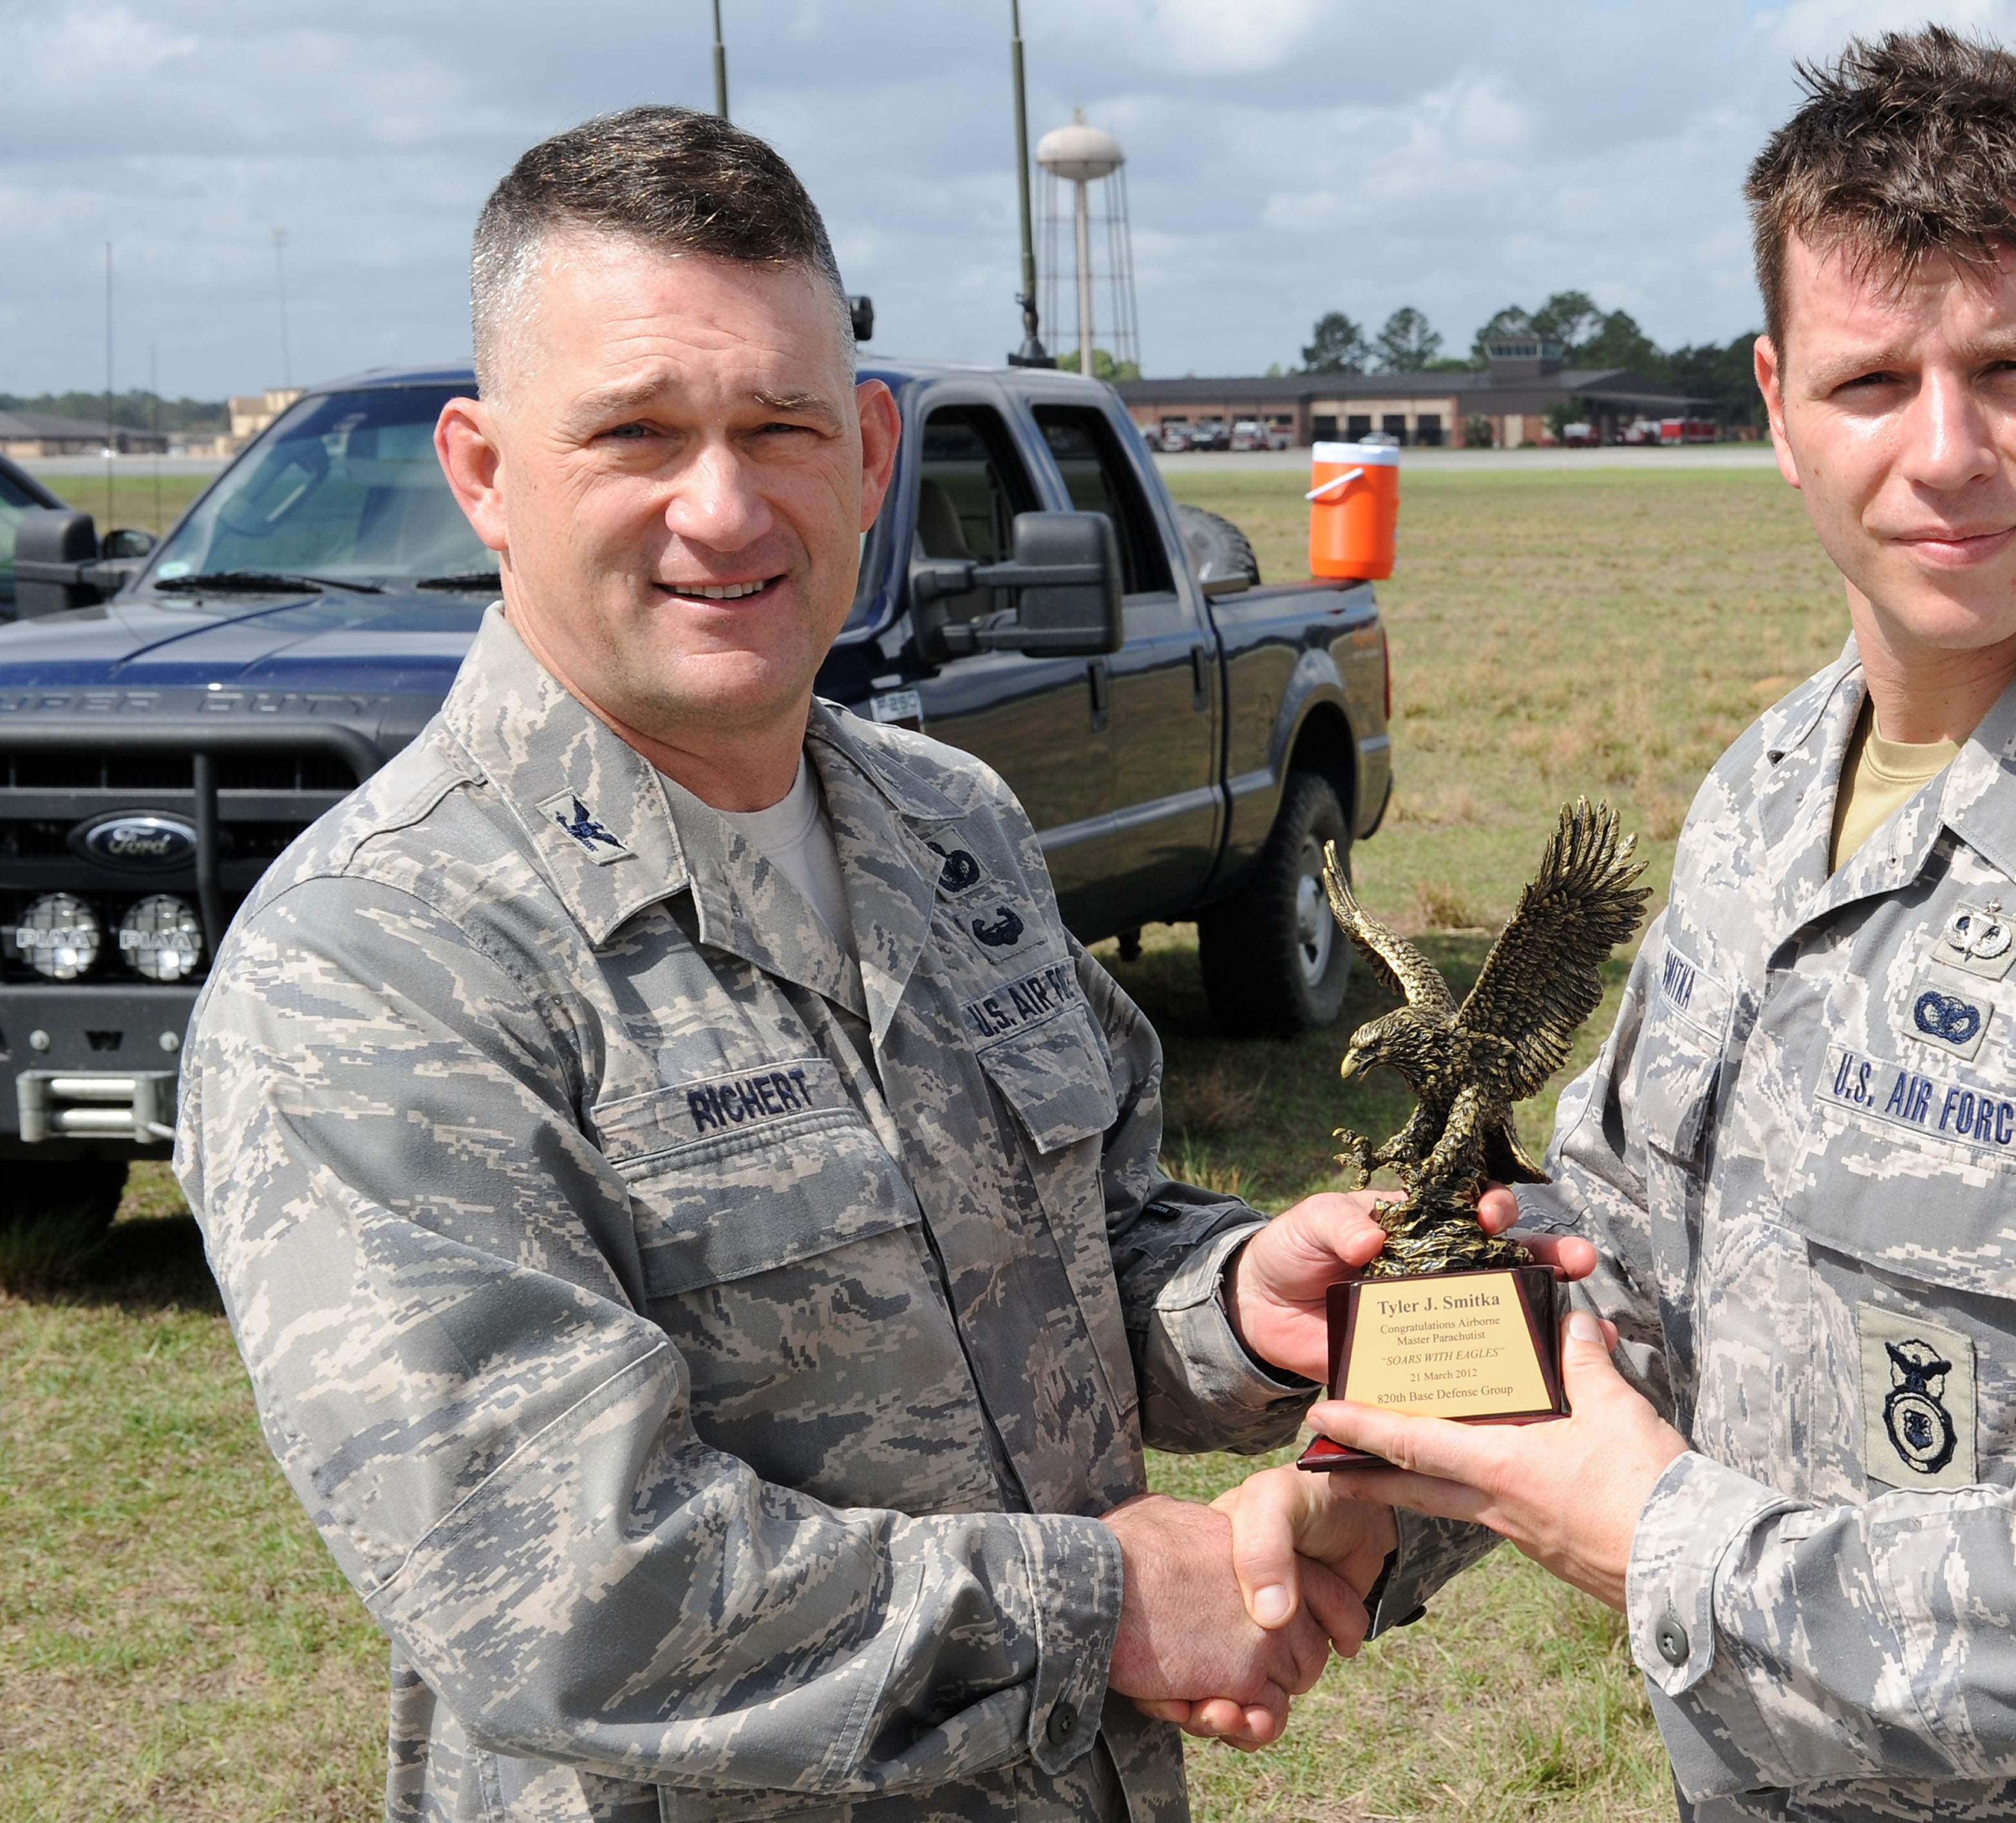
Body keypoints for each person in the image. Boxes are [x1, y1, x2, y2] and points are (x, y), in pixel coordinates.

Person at [178, 105, 1565, 1823]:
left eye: (782, 425)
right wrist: (1118, 1604)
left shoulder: (943, 821)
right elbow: (566, 1591)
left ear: (873, 452)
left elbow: (1080, 1248)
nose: (724, 504)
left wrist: (1246, 1308)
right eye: (634, 432)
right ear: (484, 473)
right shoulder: (377, 964)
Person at [1277, 28, 2016, 1822]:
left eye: (2015, 367)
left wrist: (1672, 1548)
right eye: (1869, 383)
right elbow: (1638, 1254)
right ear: (1774, 405)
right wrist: (1364, 1507)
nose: (1946, 452)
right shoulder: (1774, 787)